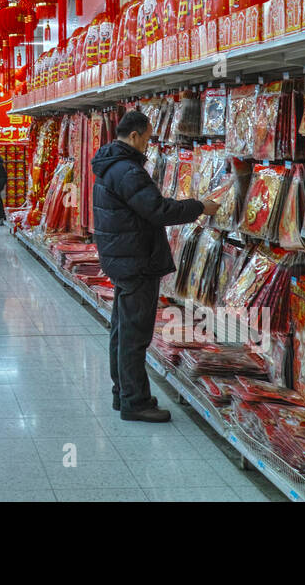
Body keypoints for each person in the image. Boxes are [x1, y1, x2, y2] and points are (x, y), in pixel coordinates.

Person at [92, 108, 220, 423]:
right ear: (134, 136)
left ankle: (122, 394)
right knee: (134, 336)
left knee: (122, 332)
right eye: (147, 139)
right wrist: (199, 207)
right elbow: (158, 210)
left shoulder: (110, 165)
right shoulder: (128, 171)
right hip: (136, 262)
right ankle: (135, 402)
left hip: (122, 259)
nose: (149, 146)